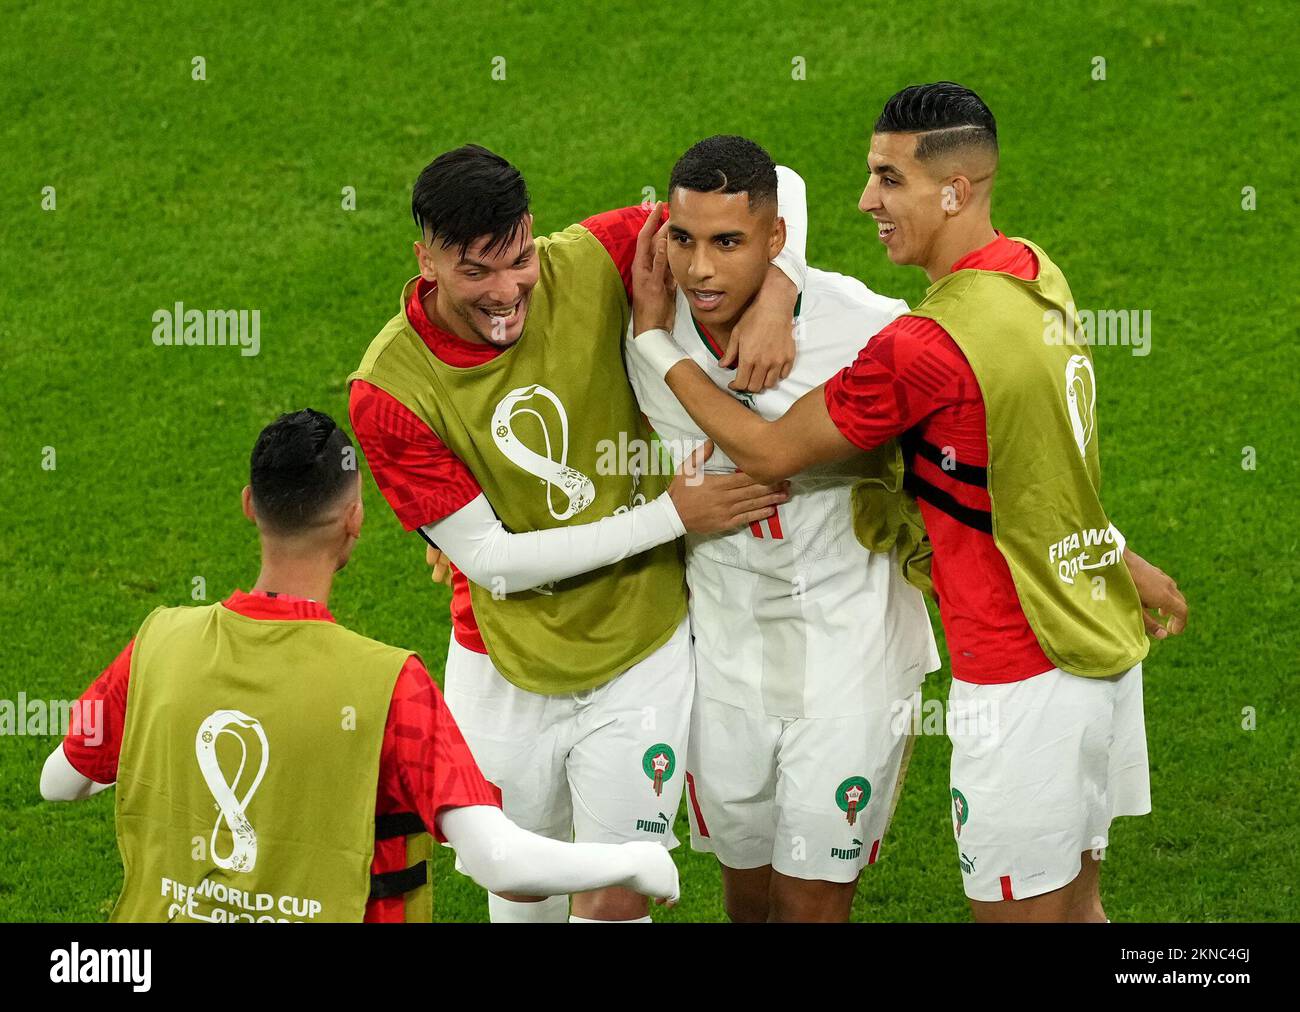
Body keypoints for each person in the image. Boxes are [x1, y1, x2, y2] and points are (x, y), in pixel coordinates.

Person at [628, 83, 1188, 923]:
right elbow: (1035, 466)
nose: (868, 200)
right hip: (1088, 645)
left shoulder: (919, 344)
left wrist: (651, 341)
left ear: (954, 190)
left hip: (1018, 672)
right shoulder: (1033, 276)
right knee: (1079, 915)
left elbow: (774, 451)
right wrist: (1118, 555)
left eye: (888, 180)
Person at [348, 144, 807, 922]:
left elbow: (774, 188)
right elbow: (492, 562)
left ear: (533, 233)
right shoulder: (389, 390)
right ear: (423, 259)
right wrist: (671, 517)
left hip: (641, 650)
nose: (506, 293)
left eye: (517, 259)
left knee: (617, 900)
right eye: (476, 272)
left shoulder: (592, 259)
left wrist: (777, 294)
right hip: (504, 670)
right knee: (522, 891)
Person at [39, 409, 678, 922]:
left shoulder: (158, 644)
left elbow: (58, 782)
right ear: (354, 520)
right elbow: (499, 859)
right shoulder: (388, 686)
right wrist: (629, 864)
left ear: (249, 506)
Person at [623, 135, 939, 922]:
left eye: (729, 243)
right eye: (686, 241)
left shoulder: (867, 327)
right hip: (725, 662)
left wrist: (1102, 548)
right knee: (747, 903)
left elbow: (985, 456)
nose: (701, 269)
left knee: (809, 912)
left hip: (850, 657)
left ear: (776, 239)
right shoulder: (641, 323)